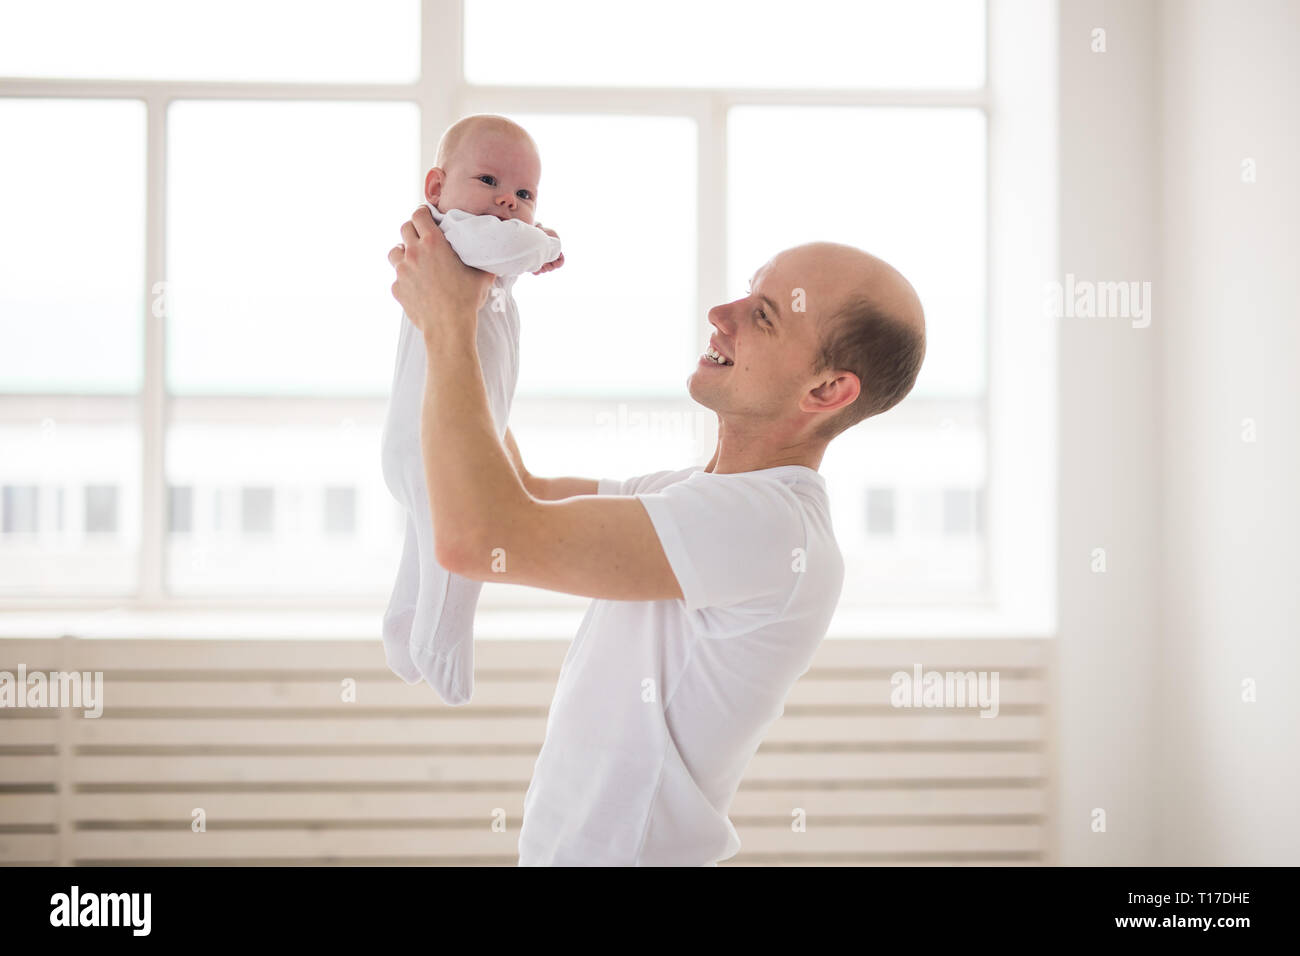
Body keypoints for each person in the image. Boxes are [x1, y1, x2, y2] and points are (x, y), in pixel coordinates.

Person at [388, 214, 926, 865]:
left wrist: (447, 325)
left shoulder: (769, 526)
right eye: (746, 293)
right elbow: (518, 487)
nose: (721, 313)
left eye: (764, 316)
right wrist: (479, 300)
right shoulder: (698, 496)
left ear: (827, 390)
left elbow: (480, 535)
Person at [380, 114, 562, 706]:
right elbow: (505, 242)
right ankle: (444, 646)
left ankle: (405, 635)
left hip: (424, 439)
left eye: (526, 194)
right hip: (438, 443)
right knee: (460, 555)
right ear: (437, 189)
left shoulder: (456, 255)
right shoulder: (456, 233)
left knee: (424, 550)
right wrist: (548, 244)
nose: (508, 200)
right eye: (489, 180)